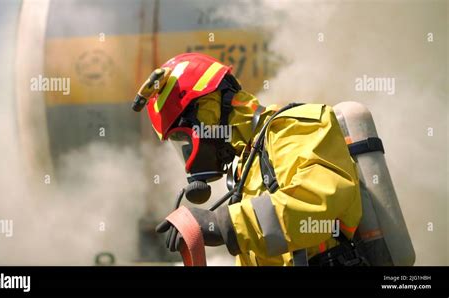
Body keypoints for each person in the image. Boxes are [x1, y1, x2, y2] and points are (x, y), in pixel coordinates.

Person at [132, 53, 363, 266]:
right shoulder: (246, 168)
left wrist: (223, 224)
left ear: (207, 109)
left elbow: (318, 204)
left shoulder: (295, 127)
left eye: (183, 137)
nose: (187, 152)